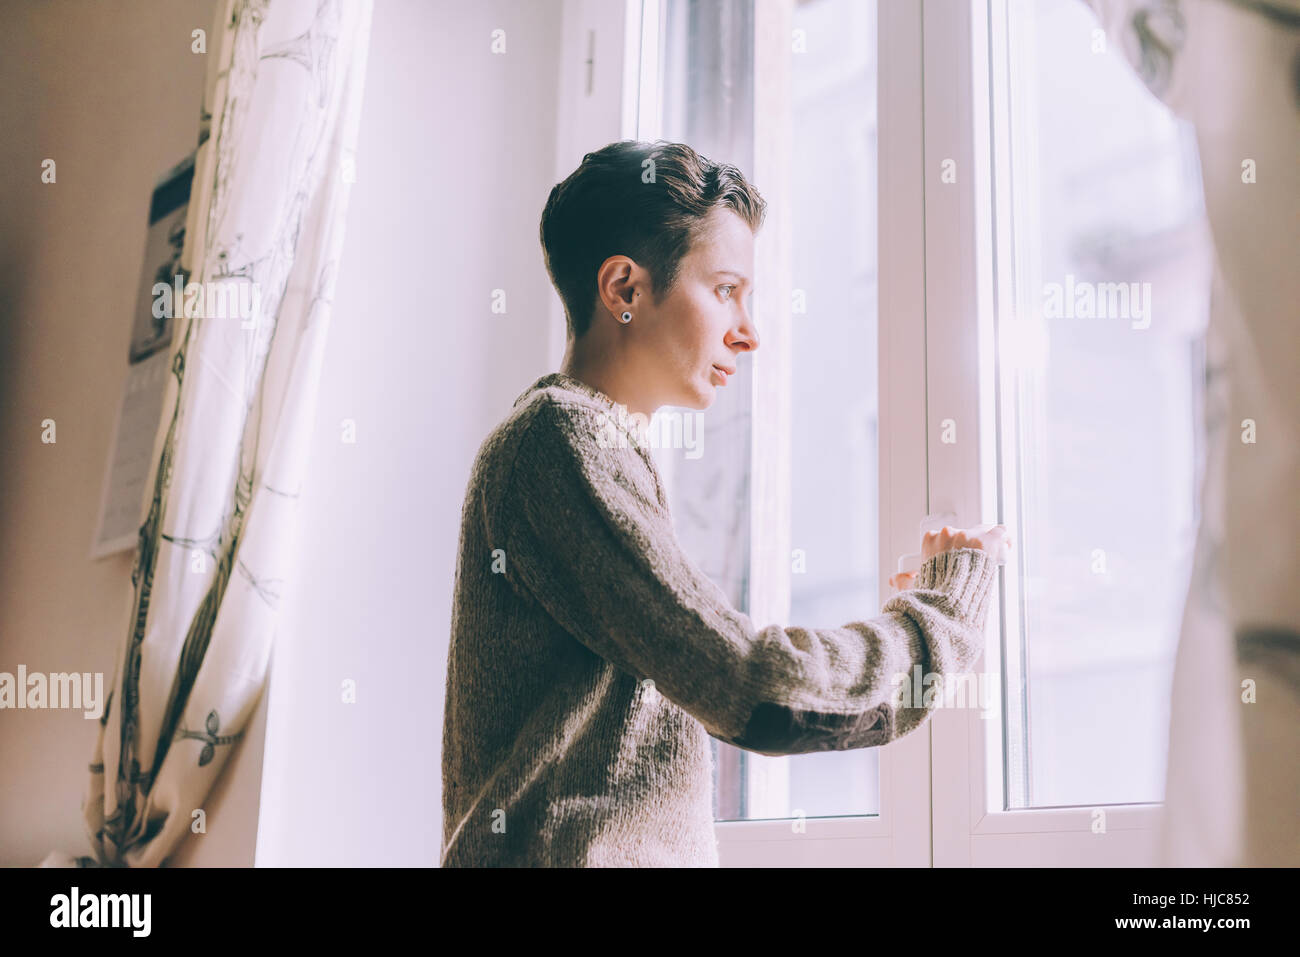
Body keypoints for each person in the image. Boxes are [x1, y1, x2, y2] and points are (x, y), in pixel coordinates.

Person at [439, 140, 1011, 867]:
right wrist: (944, 618)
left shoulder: (593, 450)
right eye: (726, 290)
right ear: (623, 289)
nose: (750, 332)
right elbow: (758, 688)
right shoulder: (559, 445)